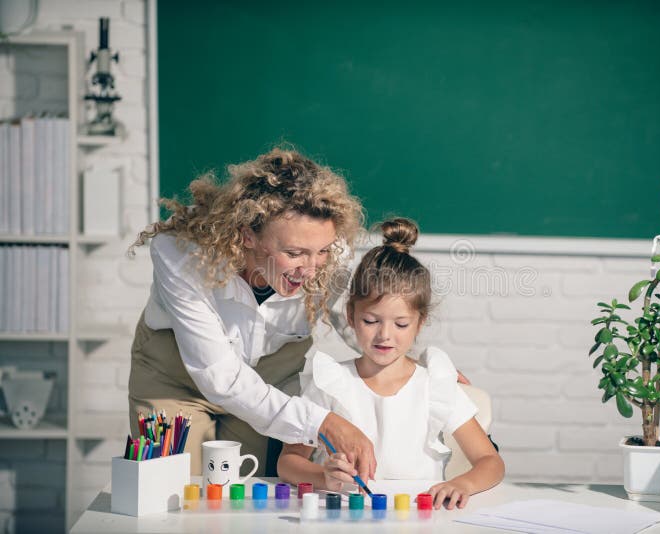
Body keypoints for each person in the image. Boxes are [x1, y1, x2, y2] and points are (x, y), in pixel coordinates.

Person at [126, 147, 376, 479]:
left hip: (269, 382)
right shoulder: (181, 252)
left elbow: (361, 319)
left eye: (322, 252)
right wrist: (320, 422)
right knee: (176, 493)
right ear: (247, 236)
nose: (312, 268)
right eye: (294, 253)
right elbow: (219, 376)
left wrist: (414, 362)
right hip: (175, 378)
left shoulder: (328, 250)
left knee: (248, 494)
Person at [277, 218, 504, 509]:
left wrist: (463, 483)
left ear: (419, 323)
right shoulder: (329, 382)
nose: (385, 335)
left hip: (419, 521)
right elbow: (288, 462)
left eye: (400, 323)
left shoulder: (434, 384)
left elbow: (490, 461)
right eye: (371, 321)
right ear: (351, 316)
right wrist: (323, 476)